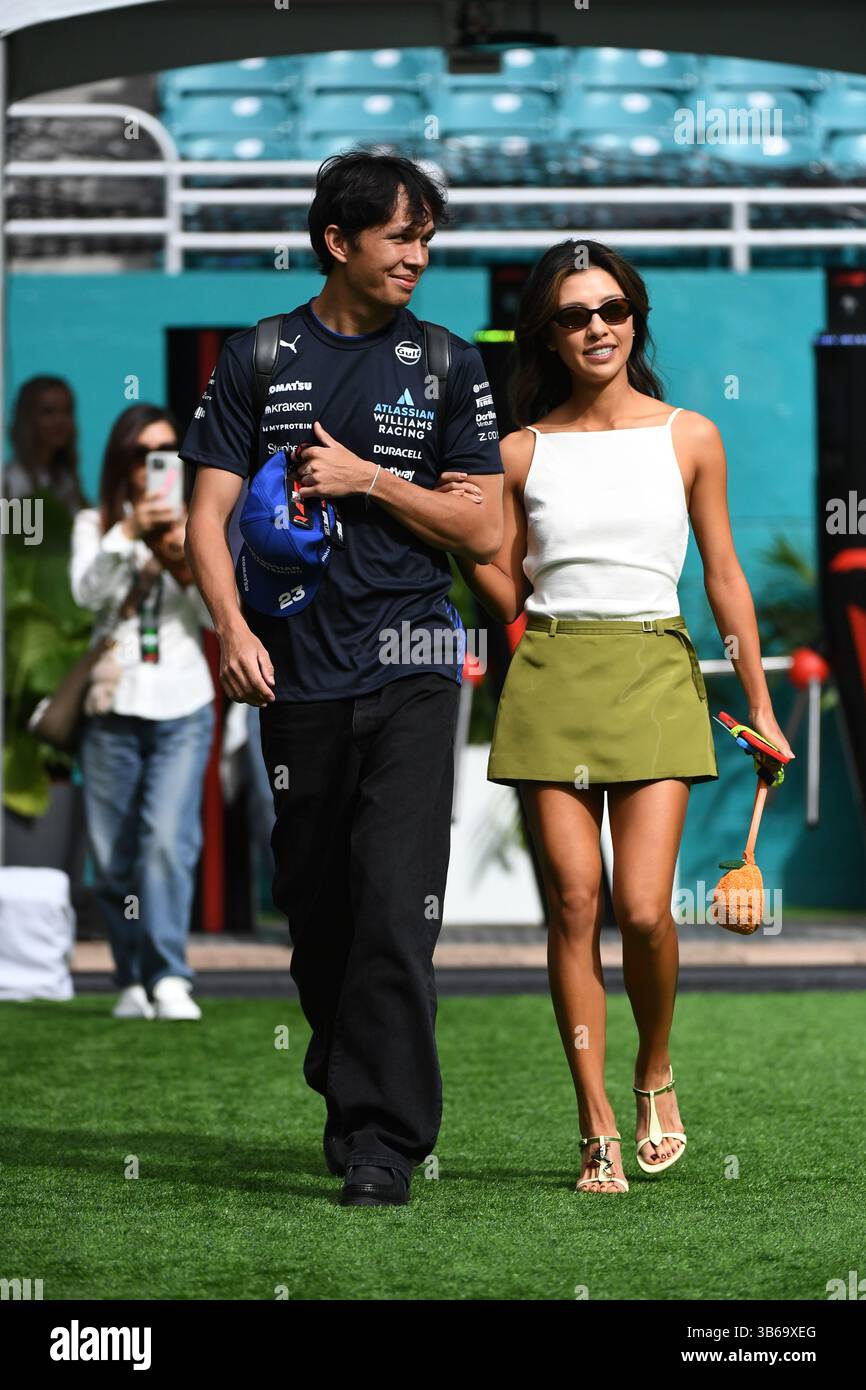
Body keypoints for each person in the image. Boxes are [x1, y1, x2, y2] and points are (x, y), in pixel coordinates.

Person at [180, 151, 504, 1206]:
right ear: (337, 241)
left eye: (425, 240)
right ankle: (341, 1054)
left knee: (393, 910)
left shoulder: (450, 363)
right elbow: (204, 514)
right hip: (294, 678)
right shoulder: (260, 355)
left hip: (415, 669)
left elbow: (484, 521)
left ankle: (383, 1141)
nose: (417, 256)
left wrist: (369, 478)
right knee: (316, 910)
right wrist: (229, 626)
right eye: (399, 237)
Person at [450, 239, 794, 1195]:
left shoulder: (689, 435)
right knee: (573, 908)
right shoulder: (521, 450)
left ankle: (654, 1070)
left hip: (654, 665)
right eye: (572, 315)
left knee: (643, 909)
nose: (595, 327)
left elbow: (723, 574)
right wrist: (432, 521)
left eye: (610, 309)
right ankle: (595, 1120)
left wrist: (760, 706)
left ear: (634, 318)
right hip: (552, 669)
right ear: (547, 335)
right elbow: (505, 589)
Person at [71, 404, 216, 1022]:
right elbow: (87, 598)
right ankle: (129, 973)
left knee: (166, 841)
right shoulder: (95, 523)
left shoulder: (197, 522)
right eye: (141, 454)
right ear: (121, 462)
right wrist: (128, 535)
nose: (152, 465)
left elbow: (217, 620)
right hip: (112, 704)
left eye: (165, 453)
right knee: (112, 856)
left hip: (183, 702)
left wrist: (185, 555)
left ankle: (169, 974)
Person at [4, 375, 86, 516]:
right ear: (28, 418)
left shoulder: (65, 478)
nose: (60, 421)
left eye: (67, 411)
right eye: (48, 412)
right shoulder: (12, 481)